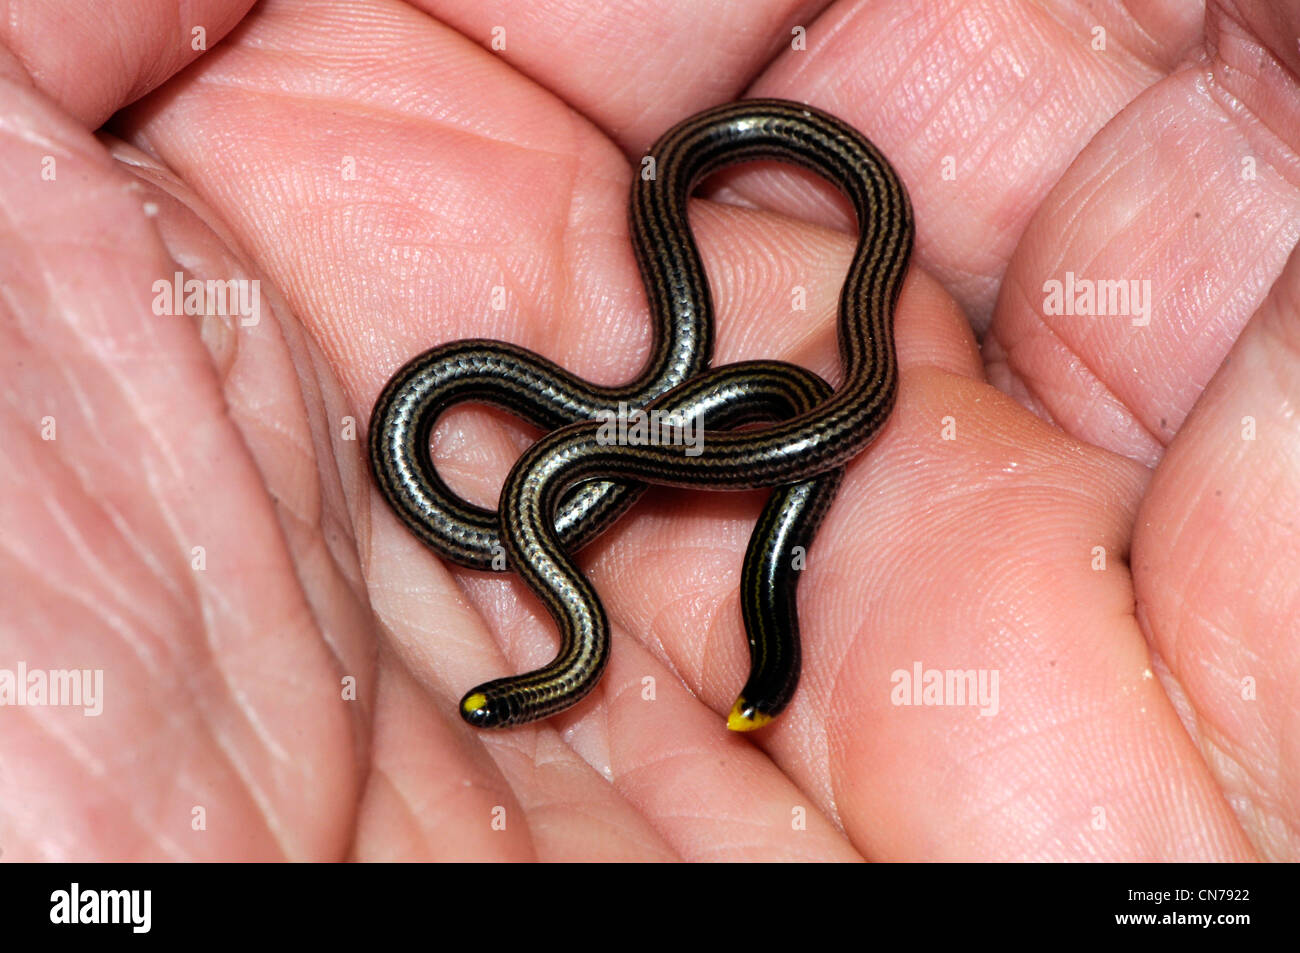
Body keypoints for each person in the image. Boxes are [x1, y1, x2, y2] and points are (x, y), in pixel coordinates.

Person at [1, 0, 1293, 861]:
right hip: (657, 469)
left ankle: (756, 645)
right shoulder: (565, 537)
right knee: (693, 410)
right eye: (509, 699)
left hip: (688, 443)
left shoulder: (607, 496)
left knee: (724, 408)